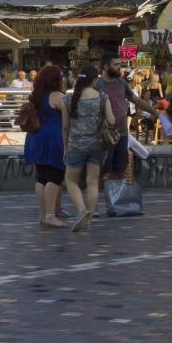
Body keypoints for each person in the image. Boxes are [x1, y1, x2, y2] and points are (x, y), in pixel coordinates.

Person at [64, 64, 114, 232]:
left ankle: (81, 211)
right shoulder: (102, 97)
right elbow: (112, 121)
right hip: (96, 144)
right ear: (94, 80)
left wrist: (65, 147)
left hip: (75, 145)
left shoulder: (69, 99)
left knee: (71, 181)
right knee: (92, 182)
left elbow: (65, 127)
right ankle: (89, 218)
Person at [96, 53, 158, 182]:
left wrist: (154, 112)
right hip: (105, 134)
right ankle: (102, 198)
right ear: (106, 66)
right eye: (116, 64)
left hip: (122, 132)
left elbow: (136, 100)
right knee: (103, 170)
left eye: (119, 64)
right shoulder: (97, 84)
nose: (119, 67)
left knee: (119, 170)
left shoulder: (121, 81)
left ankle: (114, 197)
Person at [24, 64, 69, 228]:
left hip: (35, 138)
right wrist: (66, 145)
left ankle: (44, 214)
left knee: (41, 177)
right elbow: (65, 125)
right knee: (54, 176)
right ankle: (50, 215)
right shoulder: (58, 97)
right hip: (53, 138)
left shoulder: (36, 95)